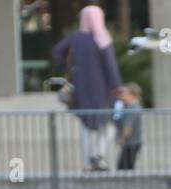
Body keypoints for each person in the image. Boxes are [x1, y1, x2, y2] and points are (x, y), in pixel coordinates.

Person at [51, 4, 122, 172]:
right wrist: (117, 85)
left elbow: (57, 51)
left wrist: (68, 68)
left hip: (81, 88)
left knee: (86, 126)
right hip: (103, 90)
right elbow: (110, 66)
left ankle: (88, 163)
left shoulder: (75, 38)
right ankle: (98, 155)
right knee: (109, 124)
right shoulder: (102, 39)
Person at [113, 83, 143, 170]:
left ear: (131, 94)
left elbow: (128, 128)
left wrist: (122, 139)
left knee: (124, 168)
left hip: (132, 143)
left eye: (125, 93)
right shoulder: (128, 107)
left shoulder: (133, 109)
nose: (122, 95)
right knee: (126, 167)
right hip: (131, 143)